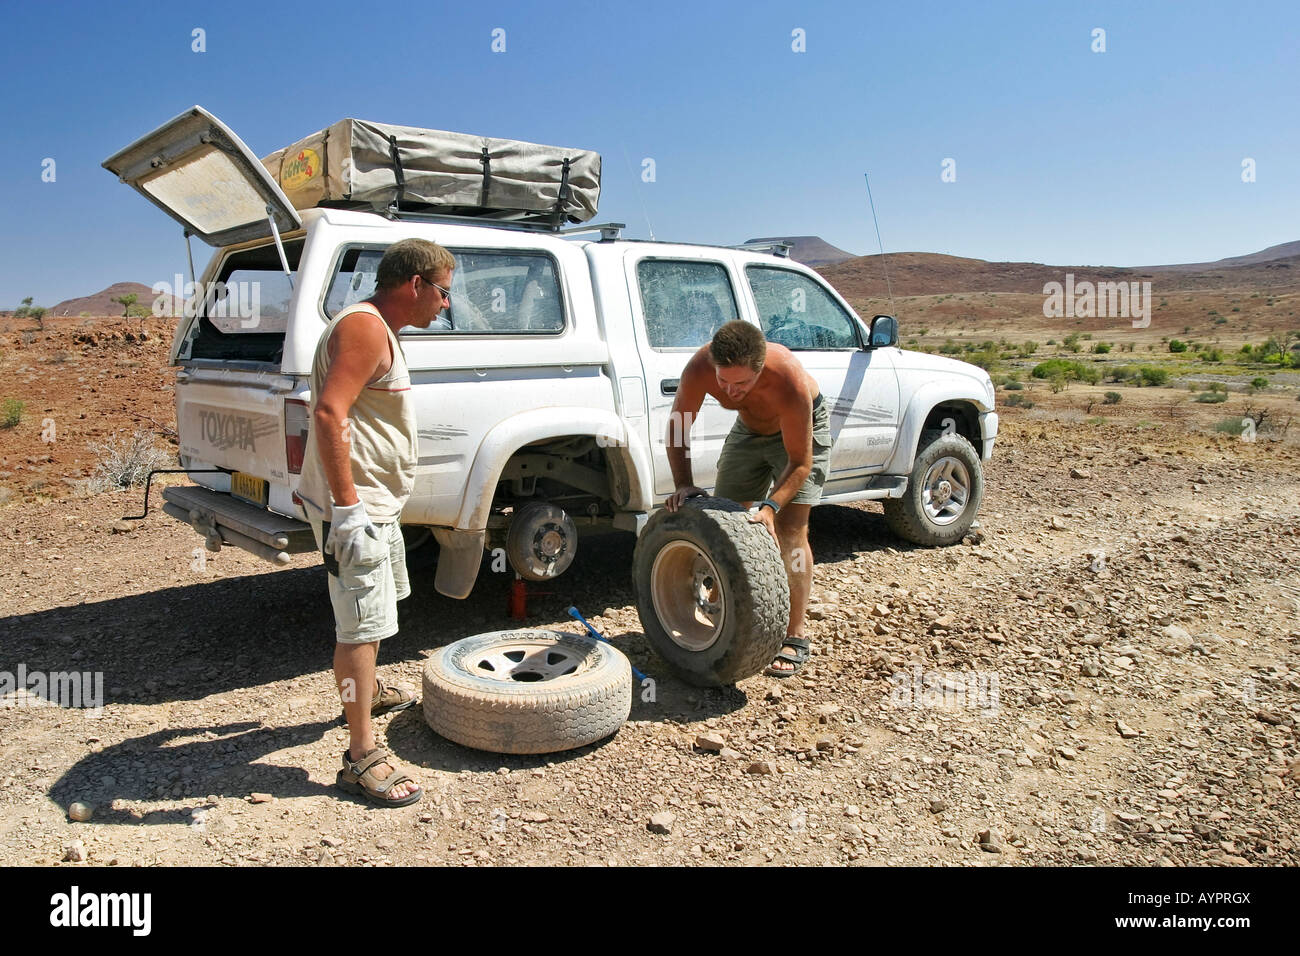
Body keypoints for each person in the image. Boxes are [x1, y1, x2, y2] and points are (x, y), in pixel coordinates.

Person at [295, 238, 455, 805]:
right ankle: (361, 756)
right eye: (442, 293)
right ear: (414, 284)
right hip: (357, 506)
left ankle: (364, 692)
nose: (443, 305)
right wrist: (347, 507)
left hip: (372, 503)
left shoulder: (374, 328)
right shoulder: (364, 328)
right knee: (359, 625)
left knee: (377, 610)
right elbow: (330, 411)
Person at [664, 320, 832, 677]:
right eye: (723, 381)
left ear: (760, 368)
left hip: (799, 429)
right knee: (727, 521)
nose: (730, 390)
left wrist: (770, 507)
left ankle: (795, 633)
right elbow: (678, 428)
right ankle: (727, 607)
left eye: (741, 383)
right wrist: (683, 483)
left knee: (790, 529)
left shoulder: (787, 379)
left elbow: (801, 462)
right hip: (750, 429)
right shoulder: (700, 368)